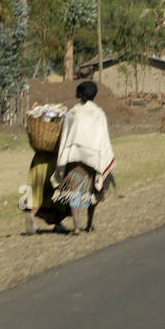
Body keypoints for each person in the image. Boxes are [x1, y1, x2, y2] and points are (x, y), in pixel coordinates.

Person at [51, 80, 116, 232]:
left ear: (79, 94)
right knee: (94, 191)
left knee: (74, 190)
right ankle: (89, 224)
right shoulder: (99, 113)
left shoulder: (72, 113)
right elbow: (103, 138)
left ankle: (75, 227)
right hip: (93, 158)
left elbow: (65, 136)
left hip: (74, 156)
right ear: (94, 95)